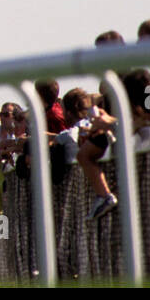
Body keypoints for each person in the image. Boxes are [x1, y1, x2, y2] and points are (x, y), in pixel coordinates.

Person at [56, 88, 118, 221]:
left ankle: (104, 195)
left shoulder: (80, 128)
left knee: (83, 156)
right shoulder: (92, 120)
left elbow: (63, 138)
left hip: (86, 194)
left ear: (67, 111)